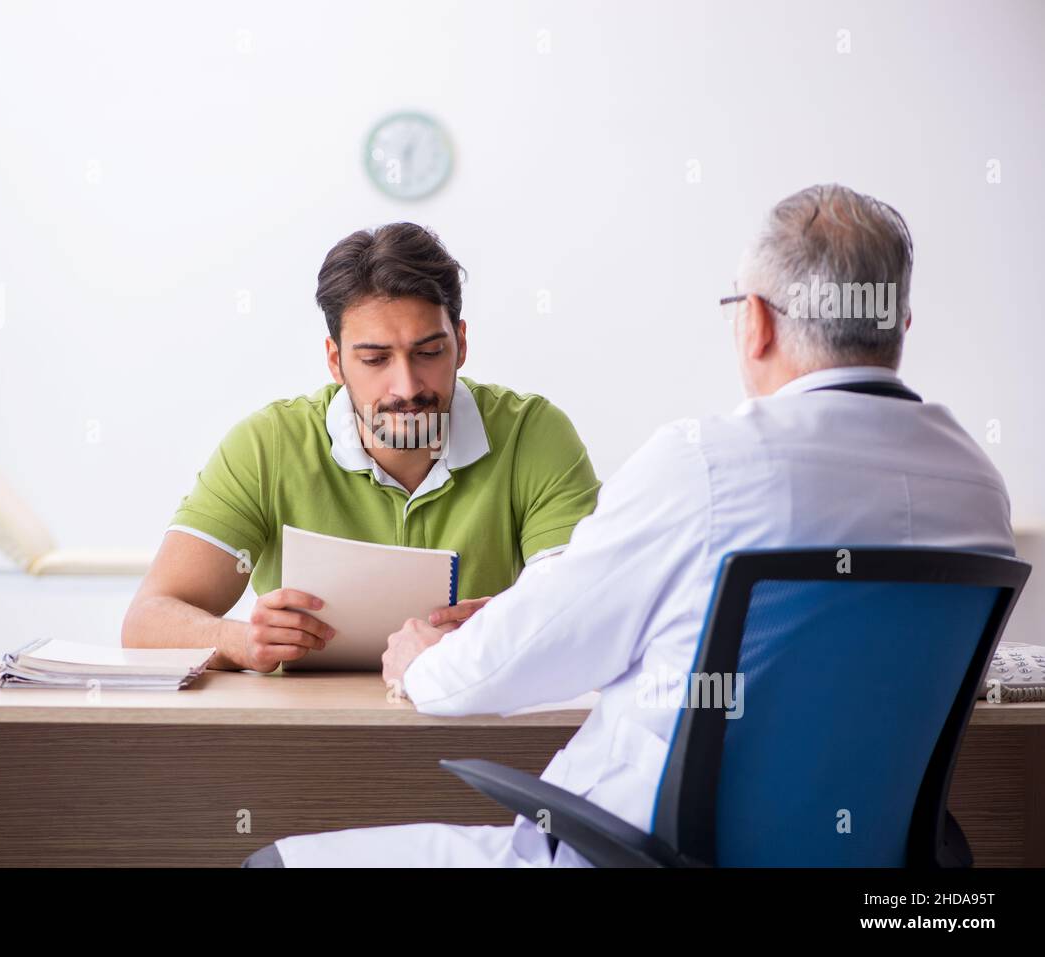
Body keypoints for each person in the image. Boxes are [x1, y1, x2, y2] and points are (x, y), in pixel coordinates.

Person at [246, 183, 1015, 867]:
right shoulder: (978, 486)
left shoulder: (707, 464)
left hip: (631, 851)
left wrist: (420, 660)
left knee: (277, 862)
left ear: (754, 323)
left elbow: (500, 667)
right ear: (899, 321)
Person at [122, 222, 602, 673]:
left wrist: (495, 636)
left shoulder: (533, 436)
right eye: (375, 359)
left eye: (429, 352)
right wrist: (241, 640)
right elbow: (146, 623)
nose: (406, 386)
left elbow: (588, 617)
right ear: (335, 360)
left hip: (472, 730)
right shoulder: (267, 445)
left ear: (460, 342)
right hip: (305, 739)